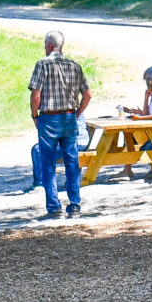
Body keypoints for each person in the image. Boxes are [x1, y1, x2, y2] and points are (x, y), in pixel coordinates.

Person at [26, 30, 90, 220]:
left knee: (48, 162)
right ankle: (75, 203)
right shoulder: (74, 65)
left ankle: (54, 206)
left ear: (49, 45)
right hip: (69, 117)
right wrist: (77, 113)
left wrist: (35, 115)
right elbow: (88, 94)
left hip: (49, 118)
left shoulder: (42, 64)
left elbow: (36, 94)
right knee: (72, 161)